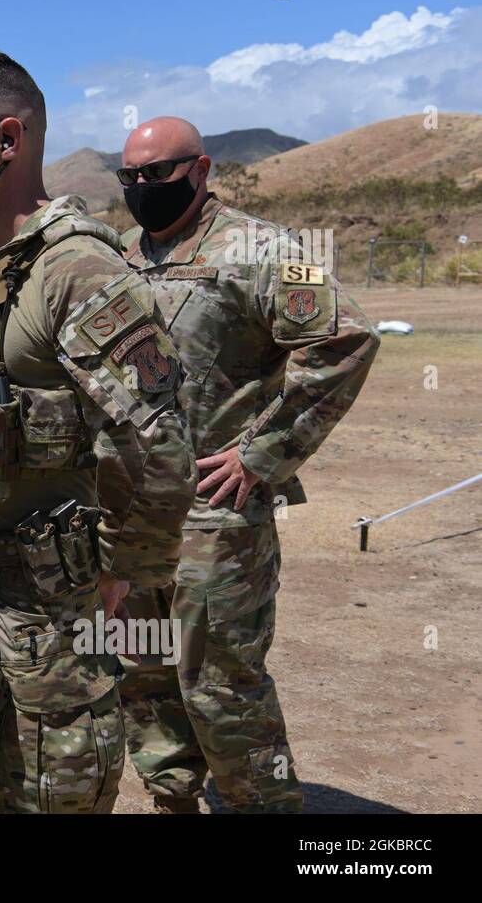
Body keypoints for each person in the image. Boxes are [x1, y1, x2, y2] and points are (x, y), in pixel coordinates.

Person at [0, 52, 195, 813]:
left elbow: (157, 441)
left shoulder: (80, 271)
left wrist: (124, 578)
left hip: (55, 622)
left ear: (6, 139)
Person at [115, 115, 380, 813]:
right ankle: (171, 797)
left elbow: (345, 340)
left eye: (158, 175)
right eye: (130, 178)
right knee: (143, 672)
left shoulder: (262, 249)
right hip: (131, 512)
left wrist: (263, 452)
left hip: (216, 515)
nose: (143, 189)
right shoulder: (118, 256)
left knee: (221, 681)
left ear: (200, 171)